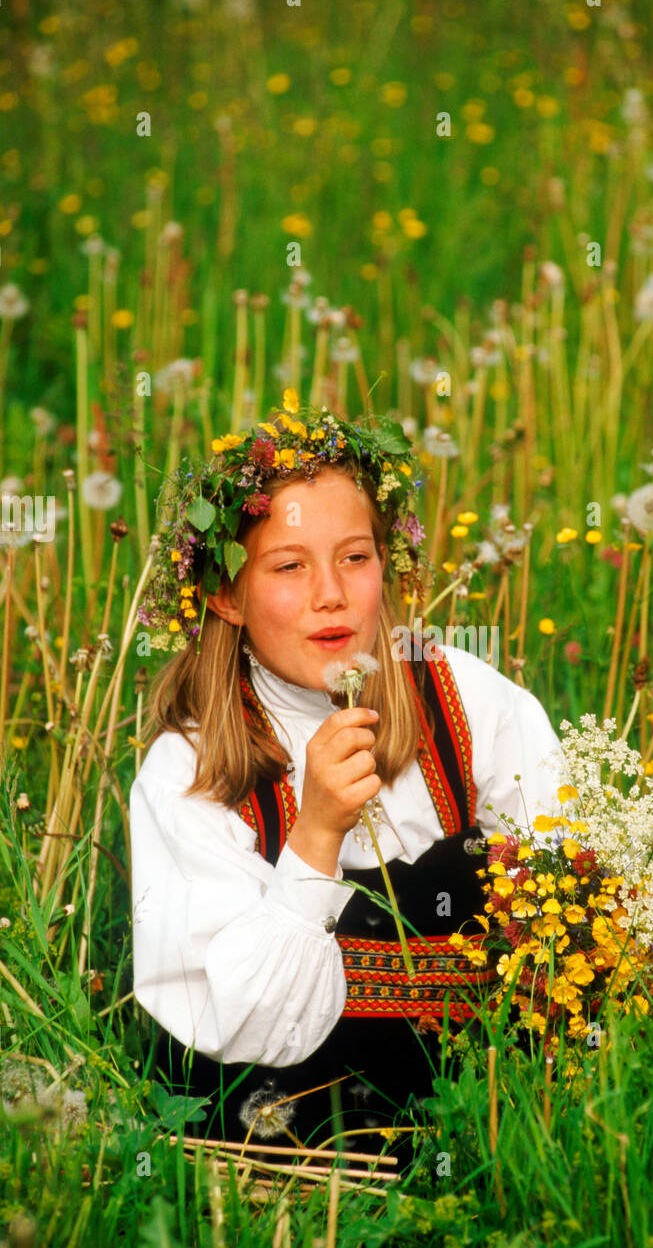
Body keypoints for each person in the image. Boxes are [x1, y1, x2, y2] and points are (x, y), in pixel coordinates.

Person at [130, 395, 566, 1173]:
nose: (329, 593)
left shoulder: (464, 696)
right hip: (286, 1137)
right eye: (288, 567)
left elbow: (566, 888)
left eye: (354, 557)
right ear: (225, 597)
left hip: (476, 1107)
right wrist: (318, 829)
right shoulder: (192, 768)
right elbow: (250, 1029)